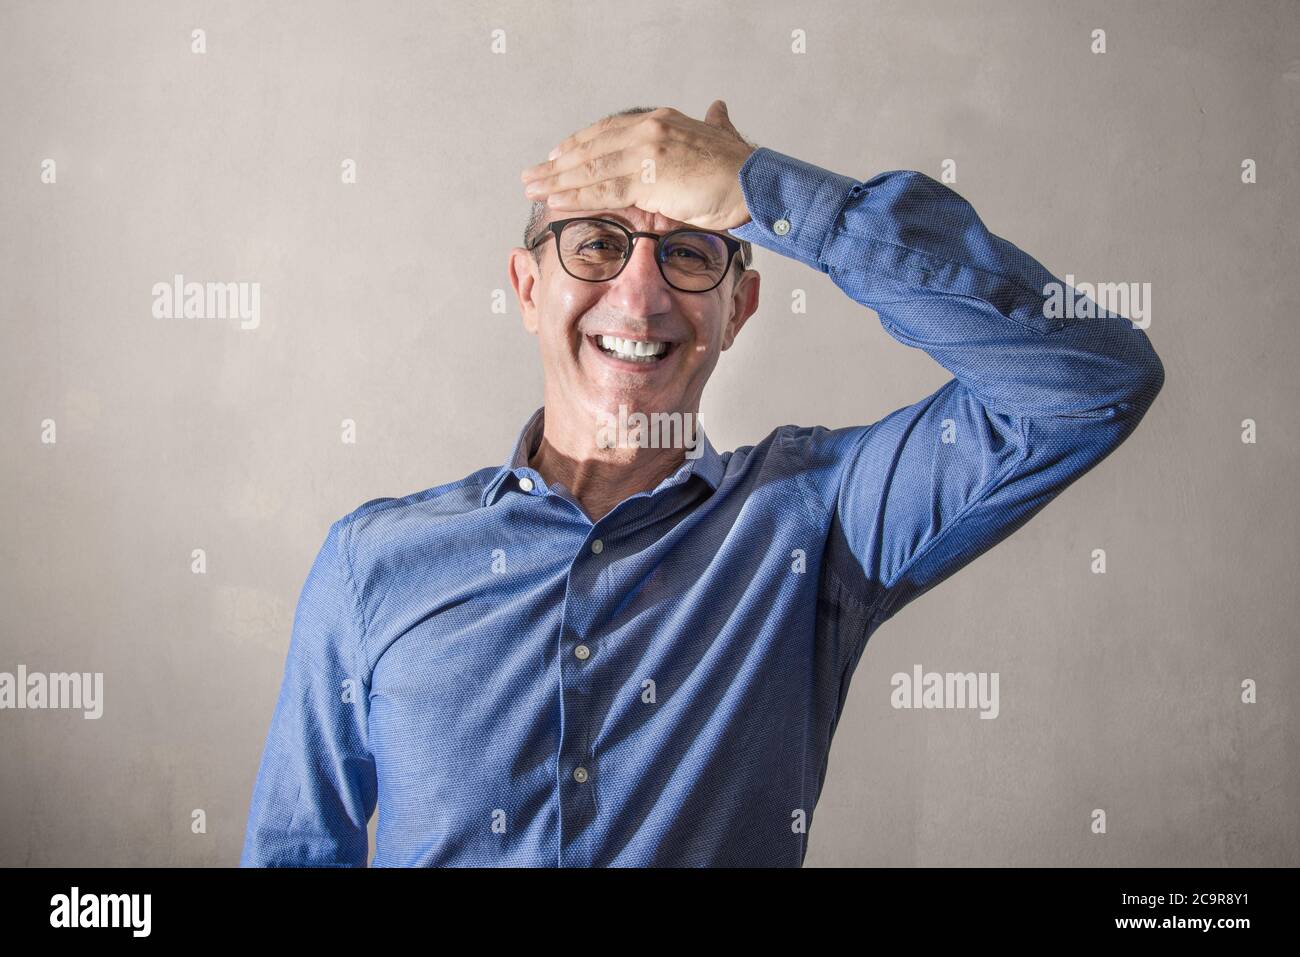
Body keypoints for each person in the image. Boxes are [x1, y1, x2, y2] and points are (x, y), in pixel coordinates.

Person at [239, 101, 1164, 867]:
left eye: (689, 251)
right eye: (597, 245)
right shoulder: (373, 563)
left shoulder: (818, 519)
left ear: (740, 306)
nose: (639, 297)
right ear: (527, 289)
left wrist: (763, 187)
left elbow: (1092, 379)